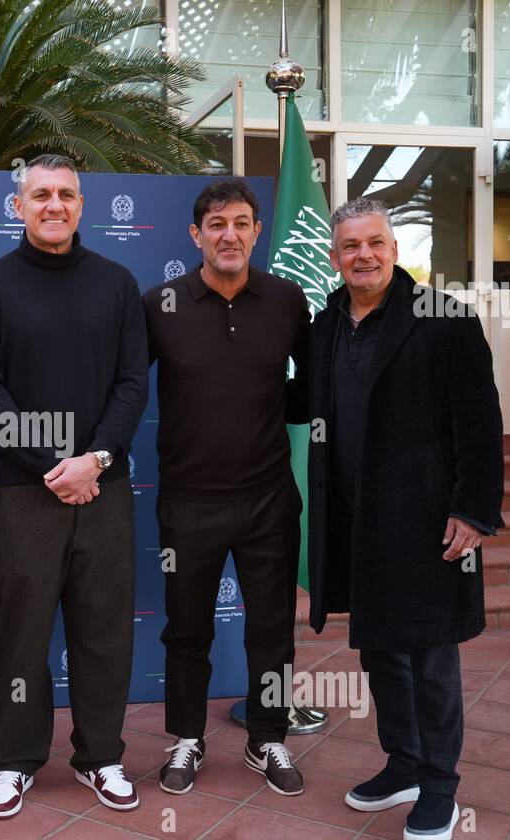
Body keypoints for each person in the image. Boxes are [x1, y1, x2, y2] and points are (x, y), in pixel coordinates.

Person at [307, 196, 504, 840]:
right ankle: (403, 763)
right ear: (335, 258)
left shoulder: (444, 319)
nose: (363, 255)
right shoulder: (326, 323)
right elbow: (299, 397)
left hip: (426, 521)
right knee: (380, 648)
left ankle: (440, 783)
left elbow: (480, 424)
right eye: (350, 246)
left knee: (429, 654)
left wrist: (473, 510)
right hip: (354, 521)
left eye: (374, 242)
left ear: (393, 248)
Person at [0, 154, 149, 818]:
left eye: (66, 194)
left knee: (103, 632)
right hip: (24, 495)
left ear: (81, 205)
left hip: (104, 489)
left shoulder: (117, 283)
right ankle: (14, 761)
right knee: (20, 636)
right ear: (18, 207)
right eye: (39, 194)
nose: (53, 204)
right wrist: (57, 464)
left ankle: (102, 757)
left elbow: (133, 385)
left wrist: (94, 459)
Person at [143, 178, 311, 797]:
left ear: (256, 231)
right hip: (188, 501)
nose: (229, 235)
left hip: (270, 497)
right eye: (216, 224)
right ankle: (186, 738)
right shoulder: (159, 303)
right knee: (187, 629)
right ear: (196, 235)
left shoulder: (288, 300)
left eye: (241, 223)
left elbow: (313, 384)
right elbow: (128, 389)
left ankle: (268, 738)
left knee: (271, 626)